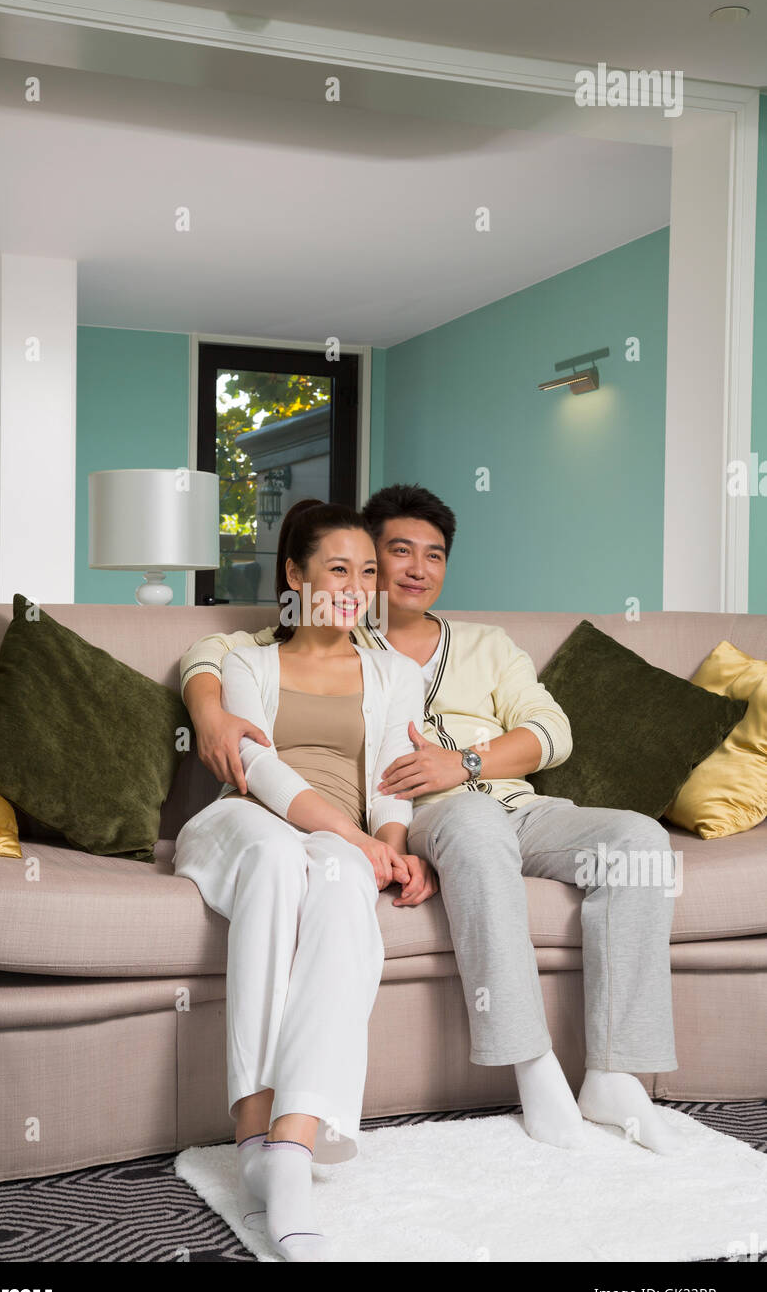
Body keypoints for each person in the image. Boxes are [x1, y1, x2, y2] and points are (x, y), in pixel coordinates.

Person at [182, 483, 683, 1161]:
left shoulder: (486, 644)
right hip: (433, 816)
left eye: (435, 555)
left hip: (514, 803)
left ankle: (616, 1074)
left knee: (639, 842)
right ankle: (530, 1066)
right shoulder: (330, 629)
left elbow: (552, 731)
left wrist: (468, 761)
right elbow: (212, 655)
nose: (417, 568)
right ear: (364, 557)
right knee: (473, 823)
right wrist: (209, 711)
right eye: (397, 552)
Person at [173, 500, 429, 1262]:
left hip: (334, 842)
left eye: (368, 572)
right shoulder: (246, 661)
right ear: (294, 574)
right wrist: (352, 835)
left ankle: (288, 1147)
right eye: (338, 569)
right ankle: (250, 1125)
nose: (357, 586)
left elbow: (391, 785)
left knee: (345, 879)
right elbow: (257, 770)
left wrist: (388, 845)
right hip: (245, 824)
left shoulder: (394, 672)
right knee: (290, 855)